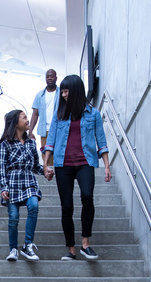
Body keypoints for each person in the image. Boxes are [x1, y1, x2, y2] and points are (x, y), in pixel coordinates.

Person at [43, 74, 112, 261]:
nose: (63, 94)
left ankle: (85, 244)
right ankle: (71, 249)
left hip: (85, 163)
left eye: (66, 91)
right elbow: (50, 141)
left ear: (75, 91)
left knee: (87, 197)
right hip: (63, 165)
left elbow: (102, 142)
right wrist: (45, 164)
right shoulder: (59, 116)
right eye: (62, 91)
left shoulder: (94, 114)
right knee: (67, 206)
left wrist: (106, 166)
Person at [0, 109, 44, 261]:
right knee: (14, 217)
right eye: (24, 118)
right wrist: (4, 187)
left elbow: (36, 166)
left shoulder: (31, 143)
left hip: (29, 180)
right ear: (16, 123)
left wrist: (45, 171)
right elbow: (2, 168)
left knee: (34, 206)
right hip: (12, 183)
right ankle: (13, 249)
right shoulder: (5, 144)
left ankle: (27, 245)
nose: (27, 120)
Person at [29, 69, 58, 152]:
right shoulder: (39, 95)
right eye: (47, 77)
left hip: (59, 129)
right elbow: (35, 114)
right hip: (44, 131)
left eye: (51, 76)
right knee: (46, 156)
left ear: (56, 78)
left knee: (59, 155)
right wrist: (30, 131)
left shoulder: (61, 93)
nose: (49, 78)